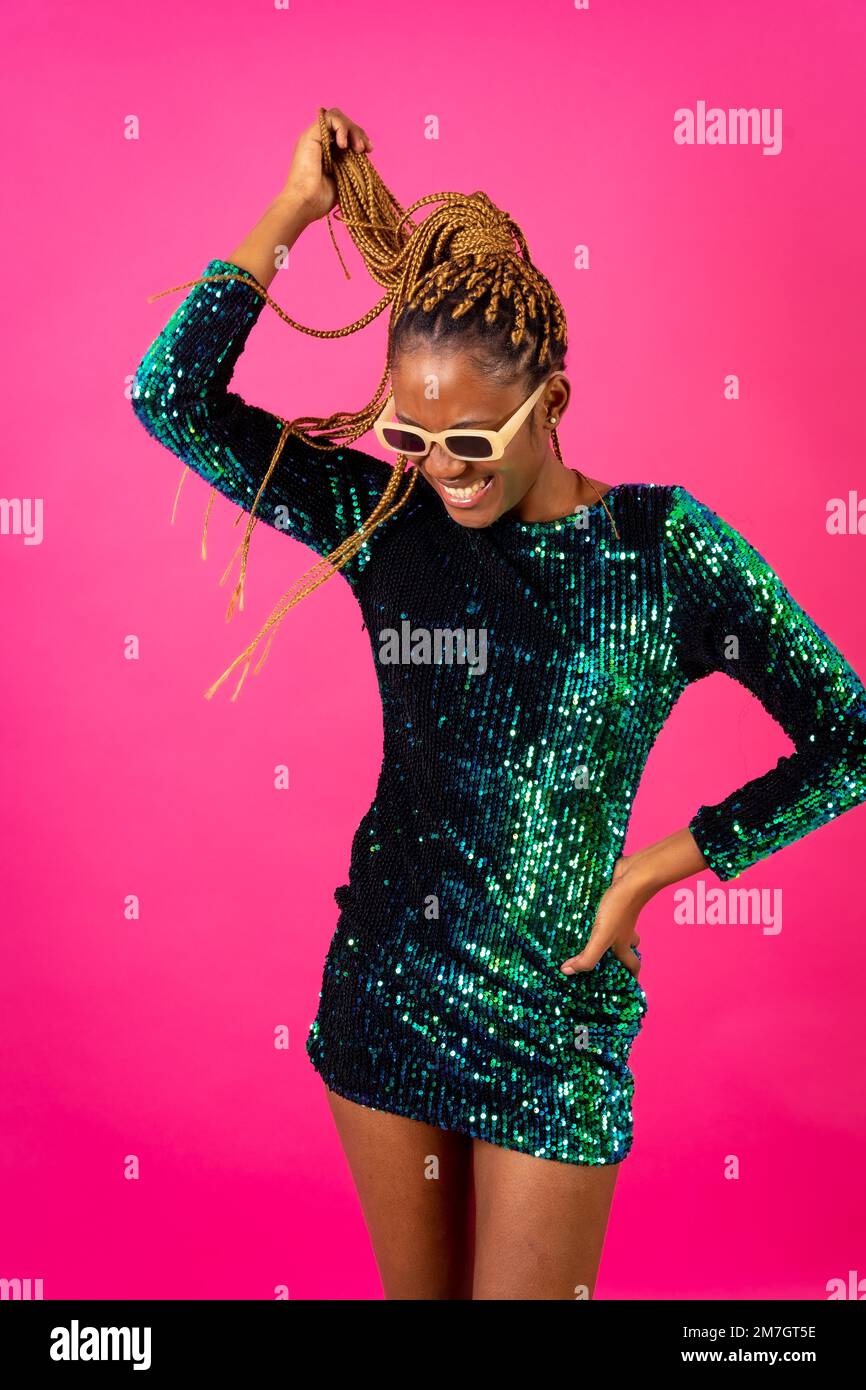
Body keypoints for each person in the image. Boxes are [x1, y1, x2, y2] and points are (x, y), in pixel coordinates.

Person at [130, 107, 866, 1300]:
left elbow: (852, 735)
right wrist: (288, 214)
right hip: (387, 986)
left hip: (555, 1019)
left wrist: (653, 872)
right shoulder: (386, 519)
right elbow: (168, 397)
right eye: (410, 436)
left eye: (470, 440)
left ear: (551, 399)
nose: (443, 470)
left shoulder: (660, 549)